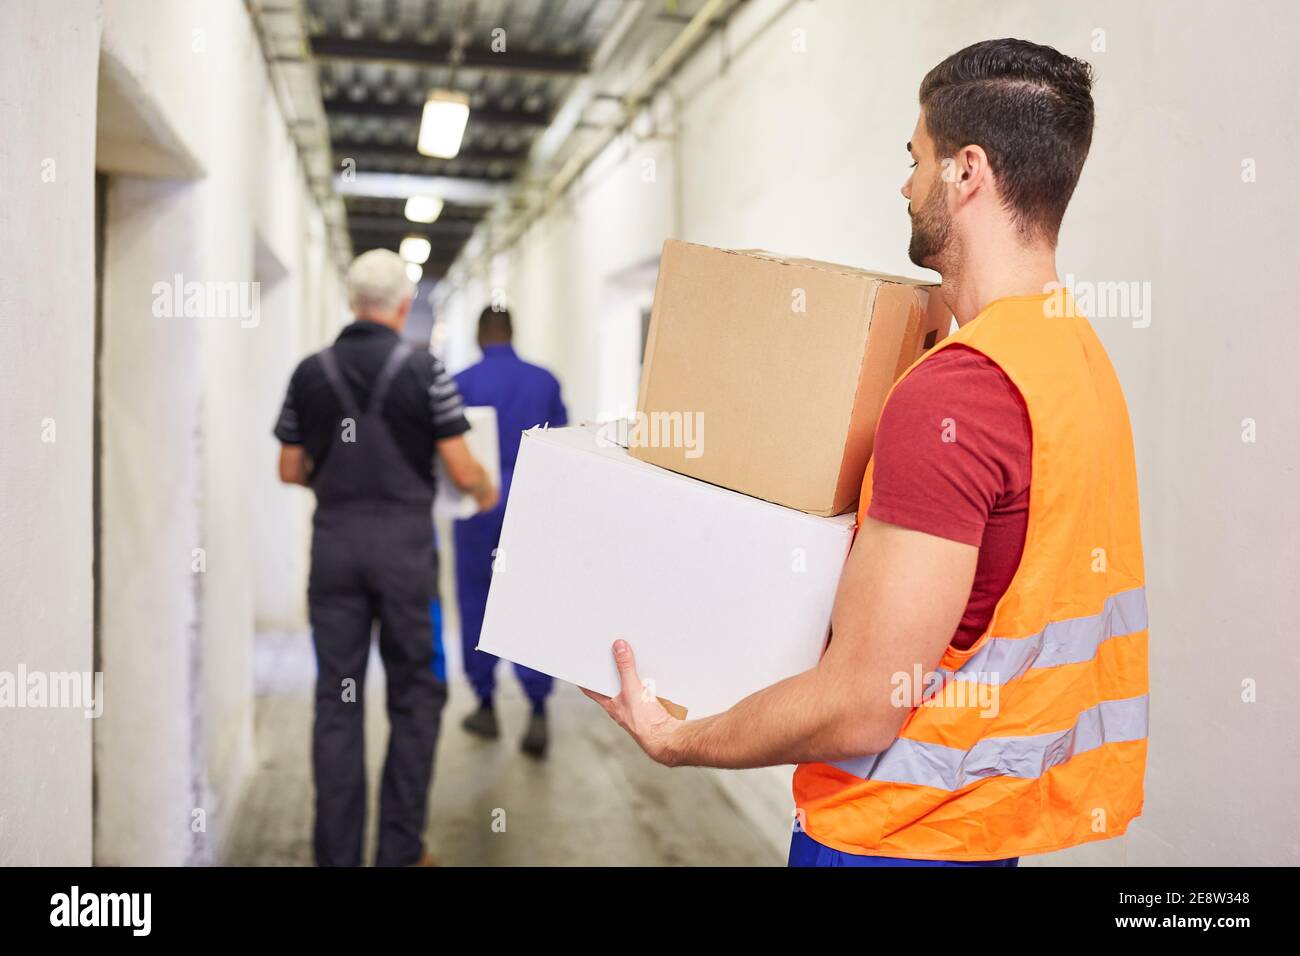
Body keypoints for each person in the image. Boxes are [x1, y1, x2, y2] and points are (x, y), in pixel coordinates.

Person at [585, 38, 1148, 866]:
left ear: (967, 173)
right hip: (986, 831)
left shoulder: (956, 392)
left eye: (916, 158)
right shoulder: (1076, 360)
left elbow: (860, 706)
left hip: (887, 836)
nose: (906, 184)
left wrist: (680, 739)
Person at [274, 249, 497, 866]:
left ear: (351, 302)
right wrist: (483, 489)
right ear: (403, 306)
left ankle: (337, 856)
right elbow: (460, 463)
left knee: (337, 703)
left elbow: (290, 467)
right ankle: (399, 852)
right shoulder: (425, 371)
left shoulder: (309, 372)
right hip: (404, 557)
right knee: (416, 695)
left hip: (336, 552)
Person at [453, 306, 568, 757]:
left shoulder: (460, 382)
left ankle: (485, 705)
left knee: (476, 599)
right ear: (512, 333)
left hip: (478, 505)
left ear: (480, 335)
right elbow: (563, 446)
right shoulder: (545, 381)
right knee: (532, 602)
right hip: (531, 506)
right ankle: (538, 710)